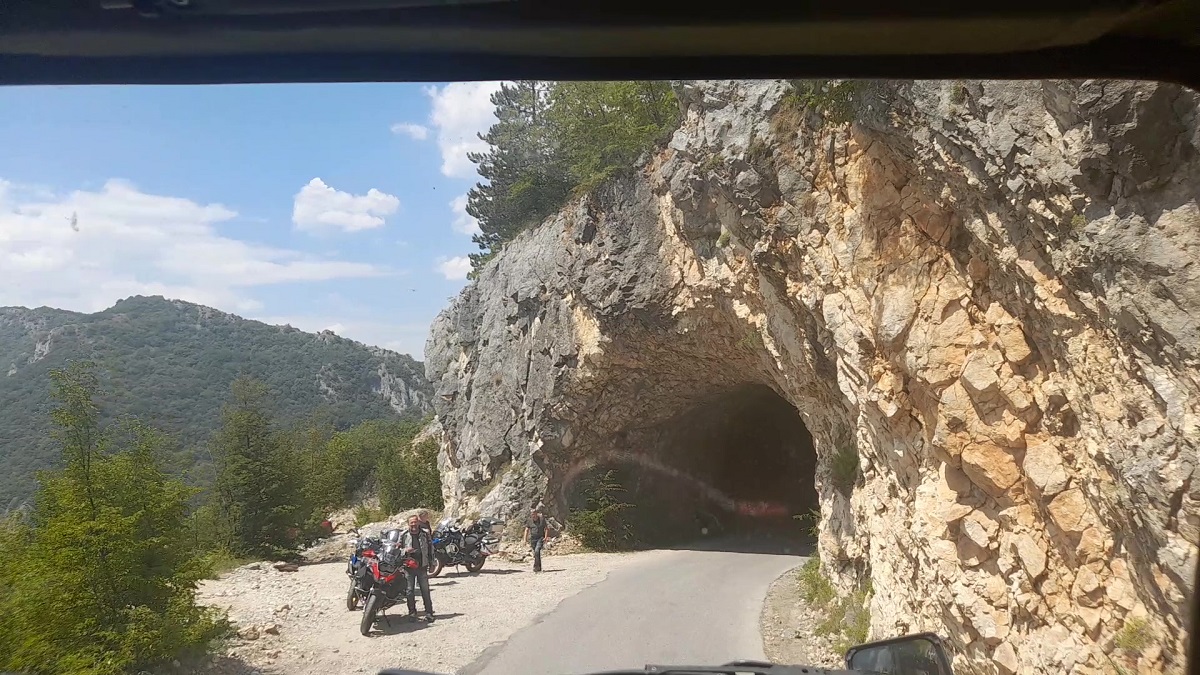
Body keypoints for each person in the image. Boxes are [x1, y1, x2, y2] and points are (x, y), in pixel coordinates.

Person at [399, 514, 435, 621]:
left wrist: (432, 563)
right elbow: (398, 549)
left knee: (425, 590)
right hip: (408, 567)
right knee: (409, 591)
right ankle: (412, 612)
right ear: (408, 524)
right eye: (411, 522)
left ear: (418, 522)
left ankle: (429, 613)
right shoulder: (404, 535)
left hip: (422, 566)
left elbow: (430, 548)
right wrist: (405, 551)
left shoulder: (425, 534)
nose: (414, 524)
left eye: (415, 522)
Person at [523, 507, 550, 573]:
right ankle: (539, 567)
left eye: (534, 514)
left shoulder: (542, 520)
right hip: (533, 539)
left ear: (536, 514)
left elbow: (546, 528)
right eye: (532, 514)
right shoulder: (529, 521)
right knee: (536, 553)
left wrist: (545, 537)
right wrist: (525, 540)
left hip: (540, 538)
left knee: (537, 551)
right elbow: (526, 530)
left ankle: (535, 566)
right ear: (531, 515)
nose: (533, 516)